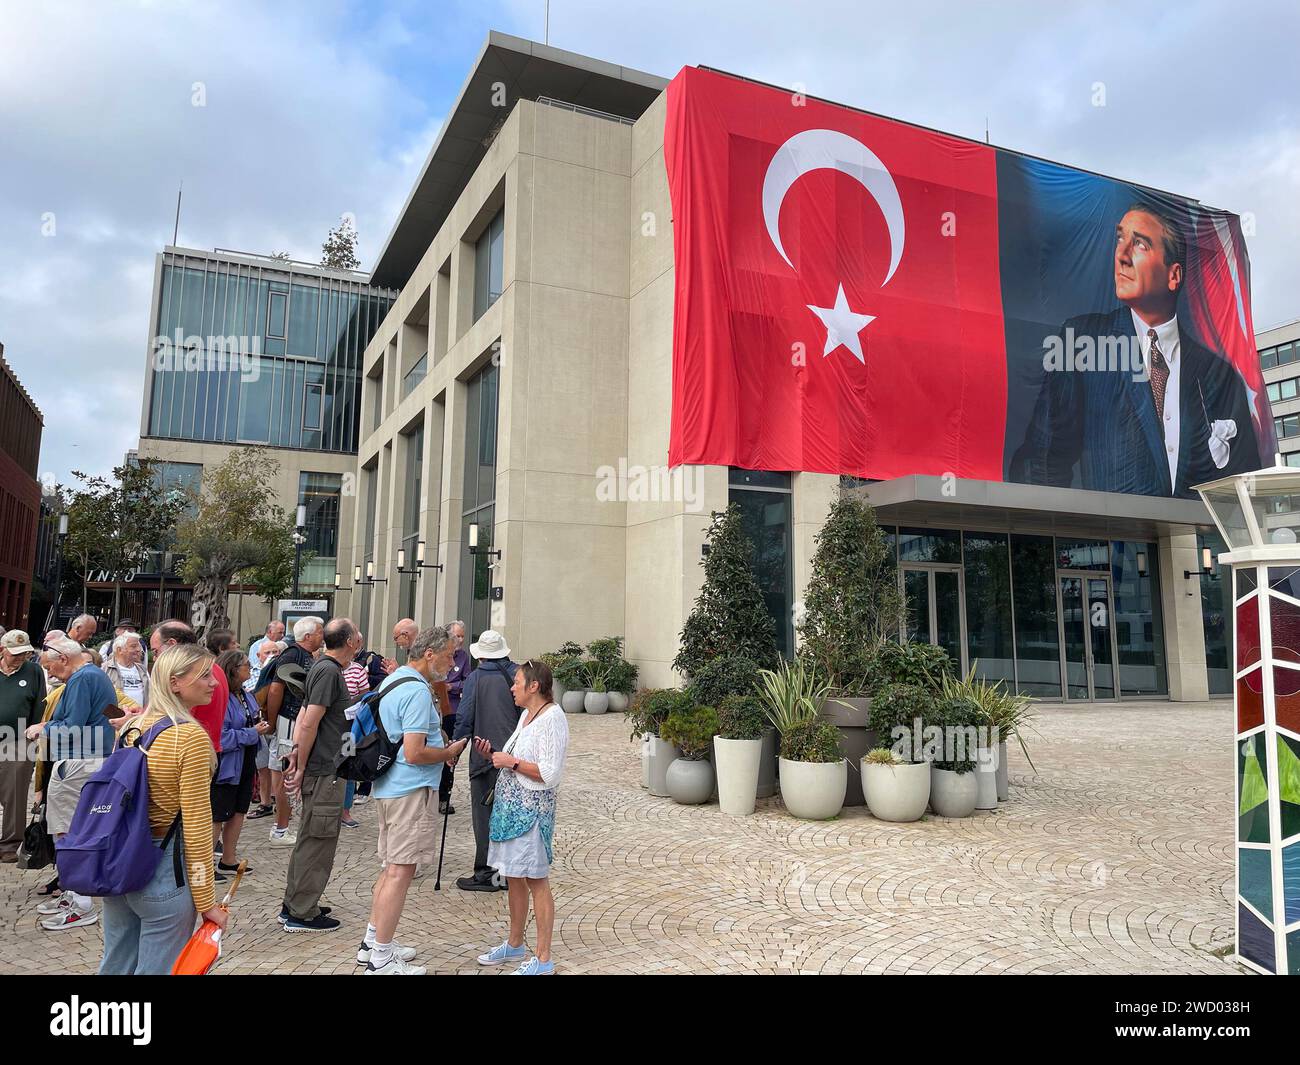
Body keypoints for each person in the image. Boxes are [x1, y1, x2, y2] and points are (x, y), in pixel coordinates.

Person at [1009, 202, 1260, 498]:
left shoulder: (1217, 373)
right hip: (1109, 538)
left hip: (1196, 540)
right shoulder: (1083, 340)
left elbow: (1244, 483)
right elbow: (1043, 458)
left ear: (1174, 276)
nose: (1121, 256)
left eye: (1139, 244)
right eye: (1119, 239)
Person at [99, 645, 226, 975]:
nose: (214, 682)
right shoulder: (190, 737)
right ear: (175, 683)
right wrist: (206, 900)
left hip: (120, 864)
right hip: (164, 870)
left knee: (116, 965)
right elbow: (198, 827)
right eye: (204, 676)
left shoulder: (132, 728)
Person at [360, 626, 467, 974]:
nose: (453, 663)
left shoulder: (394, 680)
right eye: (450, 655)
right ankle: (381, 956)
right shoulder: (418, 692)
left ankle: (373, 942)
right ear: (430, 653)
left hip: (391, 786)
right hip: (412, 789)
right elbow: (416, 751)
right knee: (401, 871)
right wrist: (447, 751)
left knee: (391, 867)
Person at [475, 659, 569, 975]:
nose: (511, 687)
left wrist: (511, 762)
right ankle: (515, 944)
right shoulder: (527, 715)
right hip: (511, 810)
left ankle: (543, 959)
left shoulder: (552, 718)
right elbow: (516, 757)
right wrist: (495, 755)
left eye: (516, 682)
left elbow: (549, 773)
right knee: (515, 877)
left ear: (533, 686)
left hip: (532, 814)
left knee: (536, 880)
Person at [26, 635, 120, 930]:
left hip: (78, 762)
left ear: (64, 659)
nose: (50, 675)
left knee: (66, 829)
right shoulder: (94, 675)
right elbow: (109, 716)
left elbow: (72, 727)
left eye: (50, 668)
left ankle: (79, 902)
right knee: (70, 827)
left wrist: (42, 726)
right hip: (91, 760)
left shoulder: (82, 679)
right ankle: (73, 893)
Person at [280, 617, 360, 931]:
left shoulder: (323, 668)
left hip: (325, 767)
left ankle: (297, 902)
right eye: (357, 635)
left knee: (310, 838)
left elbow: (306, 717)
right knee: (318, 841)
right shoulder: (328, 671)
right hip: (326, 770)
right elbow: (309, 720)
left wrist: (299, 757)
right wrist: (299, 766)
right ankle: (302, 911)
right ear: (351, 641)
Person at [452, 629, 520, 892]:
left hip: (485, 757)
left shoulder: (476, 679)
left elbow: (464, 719)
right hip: (515, 758)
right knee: (511, 813)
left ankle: (486, 872)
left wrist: (454, 751)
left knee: (484, 815)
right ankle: (509, 870)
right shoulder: (517, 674)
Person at [258, 618, 322, 846]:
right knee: (284, 770)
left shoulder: (301, 655)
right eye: (319, 633)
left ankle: (282, 825)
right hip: (288, 719)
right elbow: (276, 689)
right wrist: (274, 721)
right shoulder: (293, 654)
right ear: (308, 636)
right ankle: (280, 828)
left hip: (291, 719)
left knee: (284, 769)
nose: (322, 637)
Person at [212, 650, 269, 876]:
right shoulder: (221, 696)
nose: (251, 668)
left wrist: (256, 729)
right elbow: (220, 737)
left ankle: (229, 859)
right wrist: (252, 733)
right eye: (246, 665)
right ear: (234, 669)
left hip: (246, 760)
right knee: (218, 813)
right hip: (226, 764)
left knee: (238, 810)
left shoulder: (245, 694)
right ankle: (206, 865)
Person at [0, 631, 46, 863]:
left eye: (25, 653)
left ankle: (10, 844)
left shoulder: (33, 671)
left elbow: (40, 704)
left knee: (15, 793)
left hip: (18, 740)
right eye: (15, 654)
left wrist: (33, 735)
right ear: (2, 650)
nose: (20, 657)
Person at [150, 620, 226, 751]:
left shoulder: (191, 673)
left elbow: (170, 716)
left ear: (172, 644)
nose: (154, 659)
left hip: (186, 749)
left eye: (156, 651)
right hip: (207, 749)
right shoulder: (216, 669)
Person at [339, 633, 373, 830]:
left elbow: (365, 696)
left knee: (348, 768)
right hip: (328, 728)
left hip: (349, 728)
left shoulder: (358, 670)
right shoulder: (328, 667)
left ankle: (345, 810)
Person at [440, 620, 471, 815]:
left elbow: (467, 680)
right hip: (437, 709)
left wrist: (454, 687)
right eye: (456, 636)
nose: (459, 640)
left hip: (453, 709)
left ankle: (444, 797)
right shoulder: (438, 652)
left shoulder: (463, 657)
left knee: (450, 753)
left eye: (462, 636)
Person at [103, 632, 149, 707]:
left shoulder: (142, 669)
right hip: (115, 716)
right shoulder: (105, 669)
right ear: (119, 650)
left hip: (140, 716)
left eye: (139, 646)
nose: (138, 649)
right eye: (133, 646)